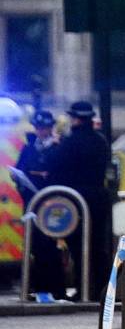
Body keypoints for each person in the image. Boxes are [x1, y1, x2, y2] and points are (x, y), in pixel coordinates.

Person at [46, 101, 111, 302]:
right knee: (98, 247)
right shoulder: (101, 141)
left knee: (78, 246)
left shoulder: (69, 142)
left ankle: (84, 289)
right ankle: (101, 289)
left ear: (75, 118)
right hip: (99, 200)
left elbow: (55, 168)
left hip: (76, 202)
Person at [15, 108, 64, 301]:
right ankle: (39, 289)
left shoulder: (58, 147)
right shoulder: (29, 148)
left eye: (44, 128)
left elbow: (61, 172)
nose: (41, 131)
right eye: (38, 128)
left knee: (51, 246)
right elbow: (21, 169)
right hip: (32, 202)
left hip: (52, 203)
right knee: (35, 246)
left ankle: (56, 289)